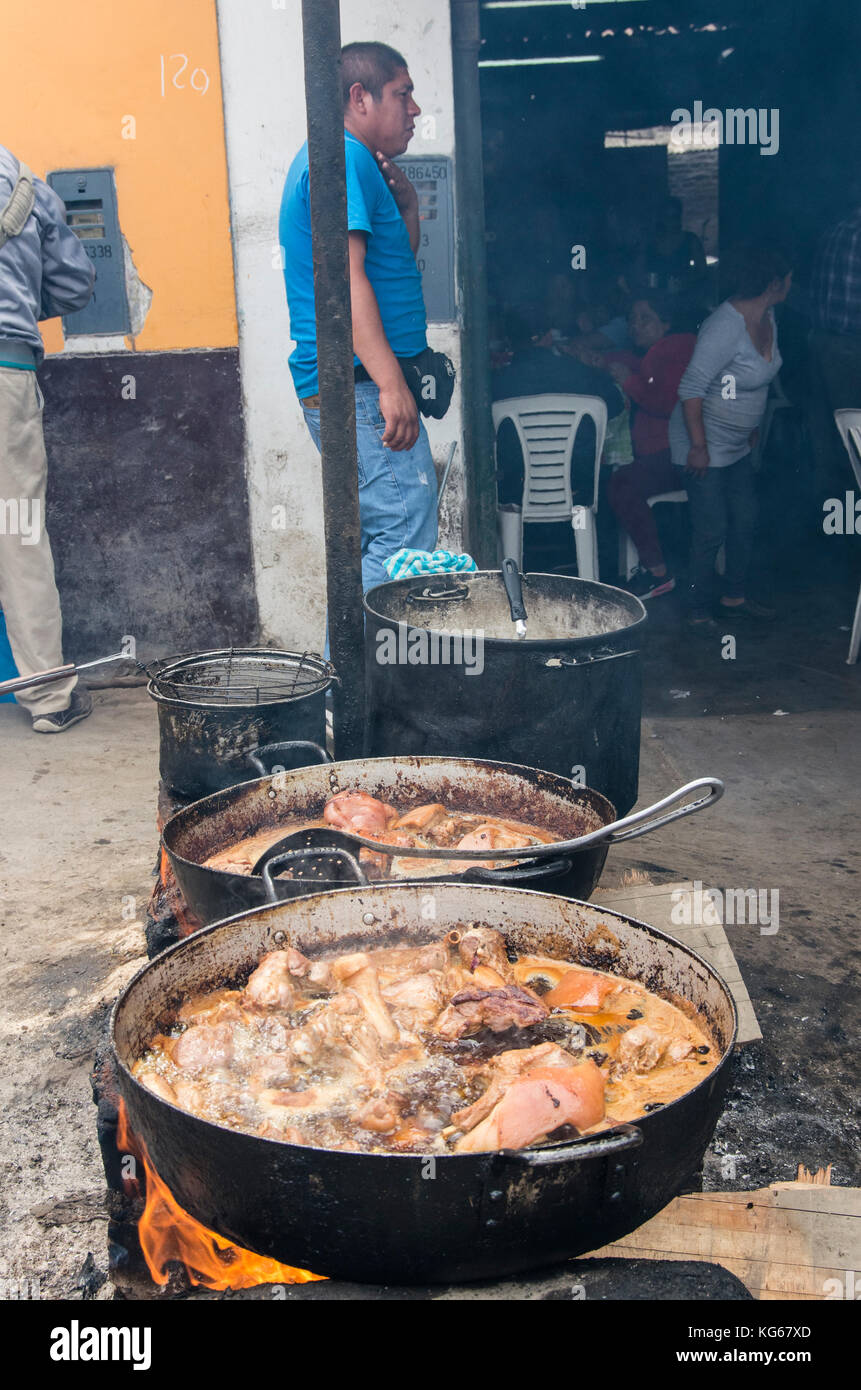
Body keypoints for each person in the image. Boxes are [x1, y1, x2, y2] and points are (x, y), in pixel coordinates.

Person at [279, 40, 439, 592]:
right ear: (359, 97)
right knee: (401, 538)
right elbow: (345, 282)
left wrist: (409, 210)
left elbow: (391, 272)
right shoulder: (341, 157)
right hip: (363, 386)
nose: (415, 109)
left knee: (393, 538)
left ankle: (349, 680)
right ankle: (354, 682)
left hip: (365, 382)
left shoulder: (354, 162)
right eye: (403, 93)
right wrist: (392, 384)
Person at [0, 145, 94, 732]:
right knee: (18, 532)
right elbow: (76, 283)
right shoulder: (19, 178)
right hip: (6, 372)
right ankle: (49, 698)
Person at [669, 246, 792, 627]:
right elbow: (691, 387)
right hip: (701, 440)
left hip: (739, 443)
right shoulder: (725, 325)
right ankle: (696, 610)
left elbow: (752, 380)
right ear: (774, 283)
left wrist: (750, 425)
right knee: (712, 528)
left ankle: (734, 597)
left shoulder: (769, 315)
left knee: (746, 517)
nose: (792, 284)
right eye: (788, 278)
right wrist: (699, 447)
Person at [606, 290, 696, 598]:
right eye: (632, 319)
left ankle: (657, 574)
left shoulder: (672, 348)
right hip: (675, 453)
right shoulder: (665, 349)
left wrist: (628, 381)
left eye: (646, 319)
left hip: (675, 455)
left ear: (666, 323)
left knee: (621, 484)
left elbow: (666, 402)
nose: (635, 326)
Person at [491, 305, 624, 508]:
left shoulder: (497, 384)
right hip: (578, 486)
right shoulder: (579, 372)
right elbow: (615, 403)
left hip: (518, 490)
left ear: (510, 342)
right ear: (549, 337)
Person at [808, 191, 861, 488]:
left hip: (820, 342)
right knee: (854, 434)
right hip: (851, 349)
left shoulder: (835, 231)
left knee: (828, 431)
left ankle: (831, 512)